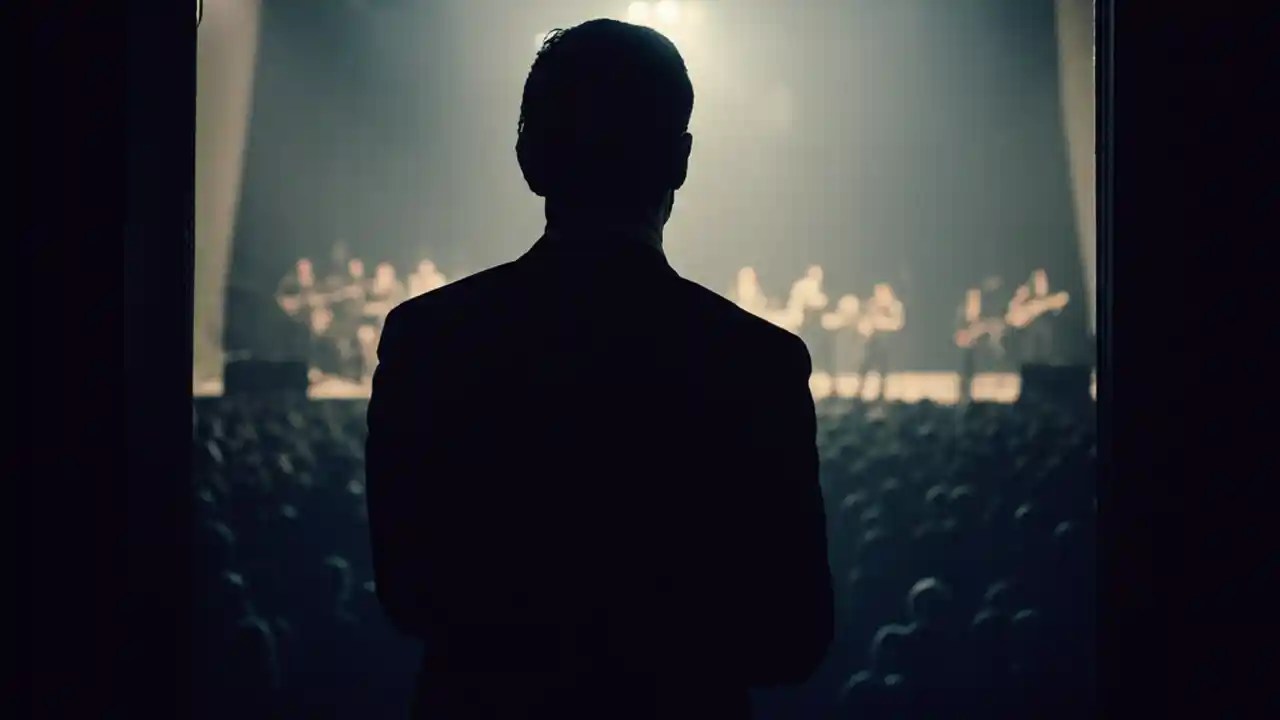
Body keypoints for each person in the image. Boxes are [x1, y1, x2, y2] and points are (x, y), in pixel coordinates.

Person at [366, 19, 833, 719]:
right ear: (679, 161)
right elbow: (792, 642)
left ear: (529, 157)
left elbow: (410, 598)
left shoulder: (429, 341)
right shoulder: (753, 364)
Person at [856, 283, 904, 401]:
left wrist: (881, 323)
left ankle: (882, 393)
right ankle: (859, 391)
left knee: (883, 368)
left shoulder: (895, 306)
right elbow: (865, 321)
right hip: (873, 342)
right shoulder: (873, 305)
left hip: (887, 342)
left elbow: (897, 324)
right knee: (865, 366)